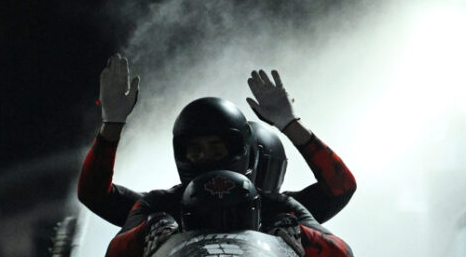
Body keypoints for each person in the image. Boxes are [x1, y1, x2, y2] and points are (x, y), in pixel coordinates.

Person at [77, 55, 355, 227]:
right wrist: (111, 124)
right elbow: (95, 195)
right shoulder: (164, 206)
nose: (205, 158)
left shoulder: (276, 208)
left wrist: (290, 124)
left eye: (215, 147)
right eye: (196, 150)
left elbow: (340, 188)